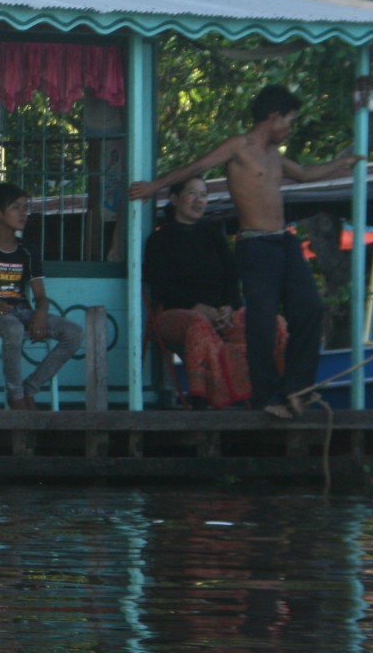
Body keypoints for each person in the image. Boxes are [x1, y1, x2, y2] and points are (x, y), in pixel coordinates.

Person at [130, 84, 359, 419]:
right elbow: (195, 167)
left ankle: (297, 387)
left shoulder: (275, 156)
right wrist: (155, 186)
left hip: (284, 242)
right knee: (261, 321)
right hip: (255, 244)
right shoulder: (239, 146)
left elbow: (307, 173)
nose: (289, 128)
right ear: (273, 116)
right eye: (289, 121)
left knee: (310, 308)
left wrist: (345, 163)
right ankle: (267, 396)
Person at [145, 177, 286, 409]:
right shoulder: (159, 240)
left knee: (271, 322)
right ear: (174, 199)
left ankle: (272, 392)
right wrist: (197, 307)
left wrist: (228, 307)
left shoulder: (213, 235)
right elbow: (161, 287)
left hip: (220, 313)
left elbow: (232, 278)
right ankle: (203, 400)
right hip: (176, 313)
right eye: (191, 194)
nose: (198, 201)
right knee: (198, 324)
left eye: (203, 195)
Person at [0, 182, 82, 409]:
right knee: (13, 328)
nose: (23, 213)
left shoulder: (27, 250)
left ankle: (30, 388)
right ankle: (16, 396)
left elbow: (41, 296)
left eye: (25, 207)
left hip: (23, 312)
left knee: (73, 333)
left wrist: (40, 314)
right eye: (16, 207)